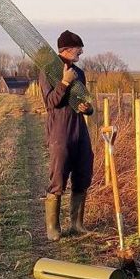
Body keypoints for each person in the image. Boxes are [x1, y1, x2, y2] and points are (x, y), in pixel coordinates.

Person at [39, 30, 95, 241]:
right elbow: (50, 103)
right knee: (58, 176)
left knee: (83, 173)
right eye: (78, 49)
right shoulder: (48, 71)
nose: (81, 52)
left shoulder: (79, 73)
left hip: (80, 130)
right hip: (60, 130)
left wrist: (87, 108)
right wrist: (64, 82)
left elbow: (87, 103)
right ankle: (53, 228)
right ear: (67, 49)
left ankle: (77, 225)